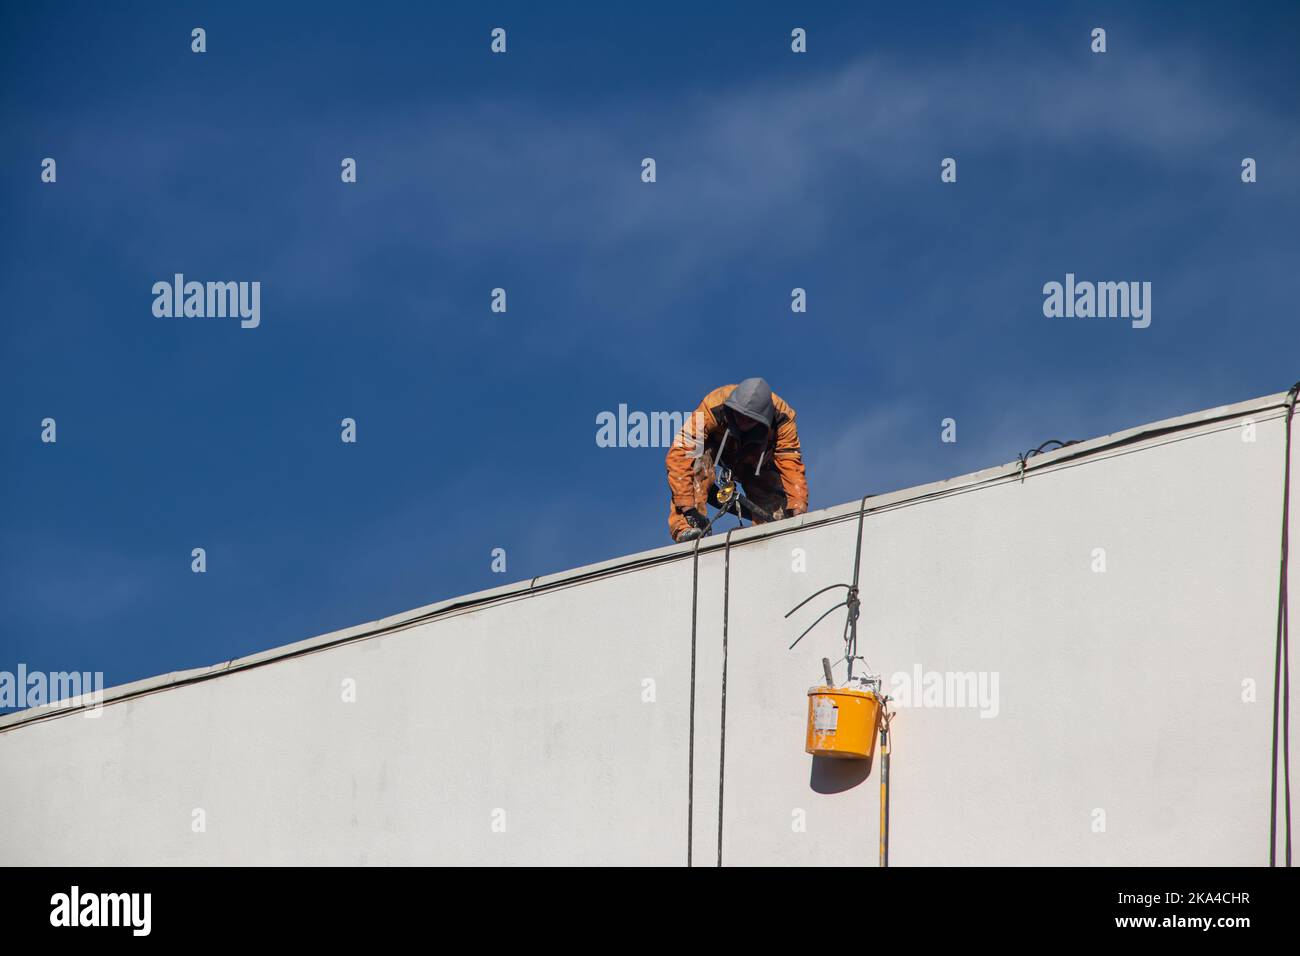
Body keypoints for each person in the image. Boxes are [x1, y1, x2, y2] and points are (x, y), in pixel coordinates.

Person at [664, 377, 809, 542]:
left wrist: (799, 515)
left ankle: (771, 536)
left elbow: (791, 466)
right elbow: (680, 453)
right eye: (738, 415)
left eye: (748, 419)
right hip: (718, 447)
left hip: (757, 457)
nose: (741, 421)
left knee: (773, 499)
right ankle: (688, 528)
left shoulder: (783, 419)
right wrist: (688, 508)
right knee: (695, 464)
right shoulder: (714, 404)